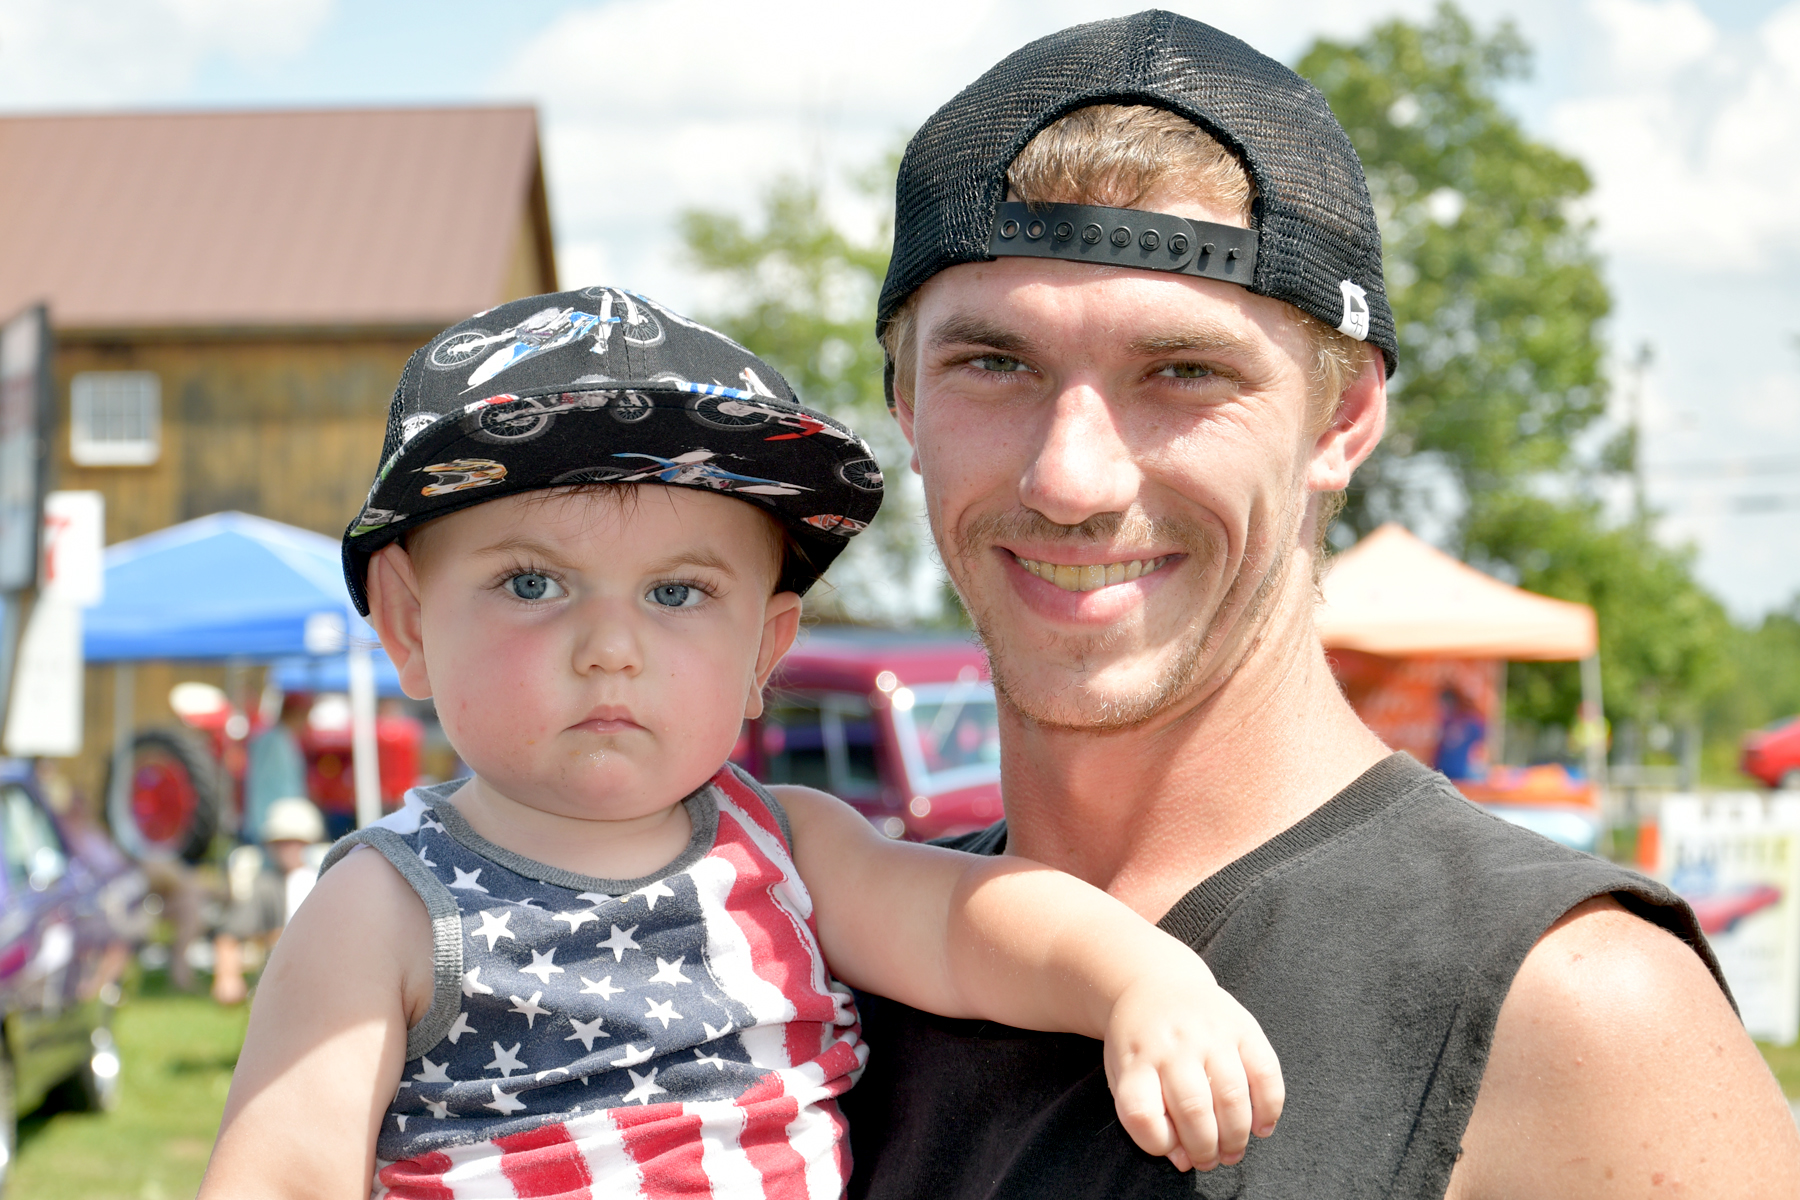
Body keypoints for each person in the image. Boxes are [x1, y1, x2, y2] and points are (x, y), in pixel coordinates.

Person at [840, 11, 1800, 1198]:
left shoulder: (1570, 1011)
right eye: (995, 364)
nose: (1070, 479)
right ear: (906, 404)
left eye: (1183, 372)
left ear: (1341, 421)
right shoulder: (803, 975)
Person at [198, 288, 1284, 1198]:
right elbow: (281, 1177)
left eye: (677, 592)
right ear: (408, 624)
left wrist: (1138, 980)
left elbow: (968, 924)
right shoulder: (386, 909)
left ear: (765, 649)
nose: (611, 649)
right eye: (531, 584)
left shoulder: (785, 850)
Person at [210, 796, 328, 1006]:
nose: (287, 849)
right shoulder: (265, 887)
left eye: (294, 842)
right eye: (280, 843)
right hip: (286, 976)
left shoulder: (329, 879)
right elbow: (230, 935)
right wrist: (227, 977)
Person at [242, 691, 311, 843]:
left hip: (271, 821)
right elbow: (283, 787)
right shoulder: (277, 742)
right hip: (272, 823)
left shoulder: (278, 739)